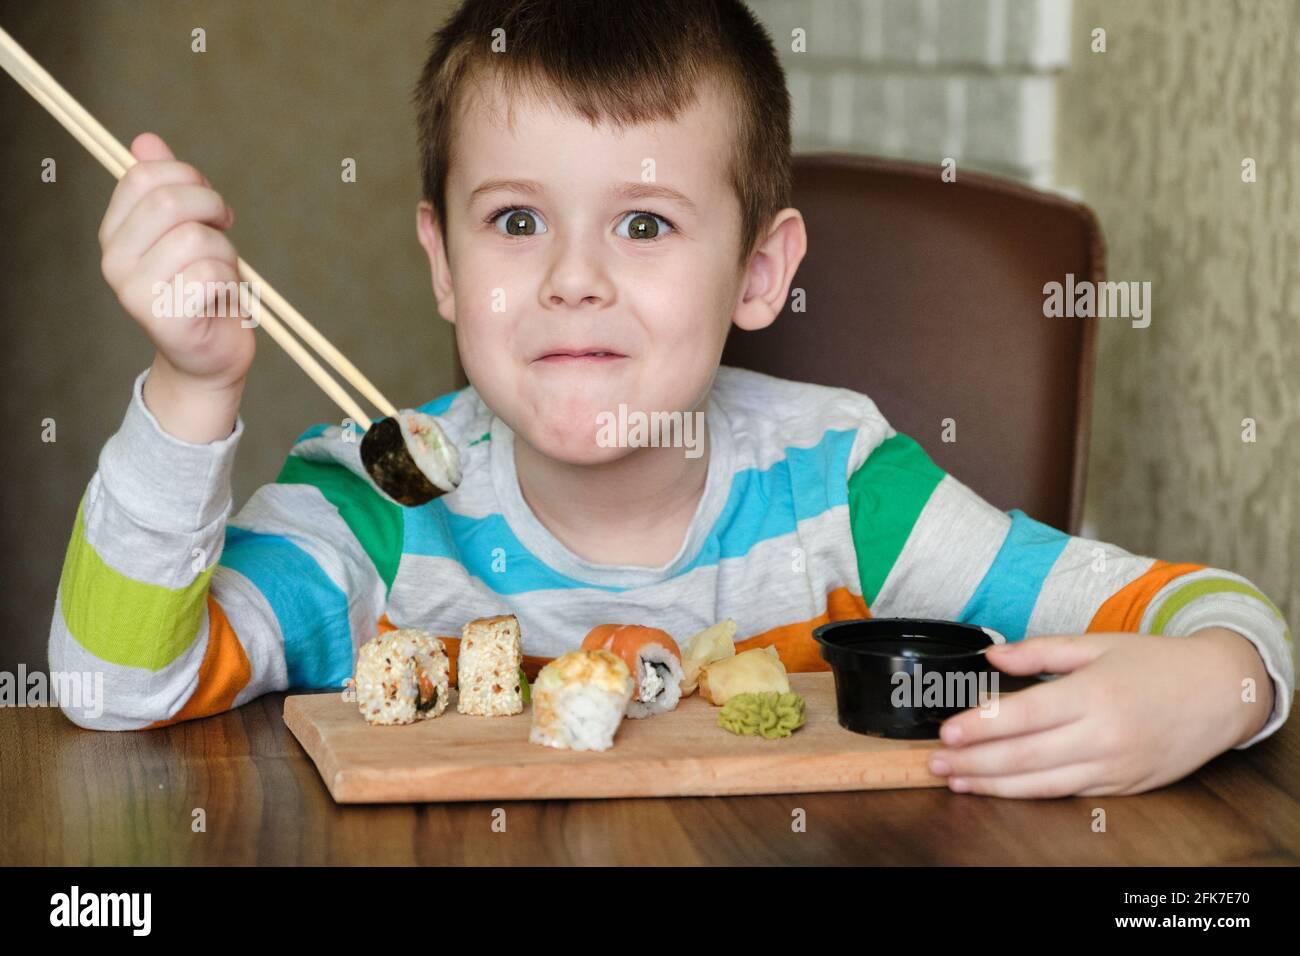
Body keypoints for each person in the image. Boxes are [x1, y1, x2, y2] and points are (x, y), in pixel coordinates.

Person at [51, 0, 1292, 799]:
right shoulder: (378, 492)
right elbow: (115, 687)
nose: (573, 279)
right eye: (516, 219)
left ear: (759, 272)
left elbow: (1196, 608)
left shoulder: (845, 486)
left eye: (643, 223)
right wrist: (192, 386)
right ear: (442, 261)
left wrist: (1214, 682)